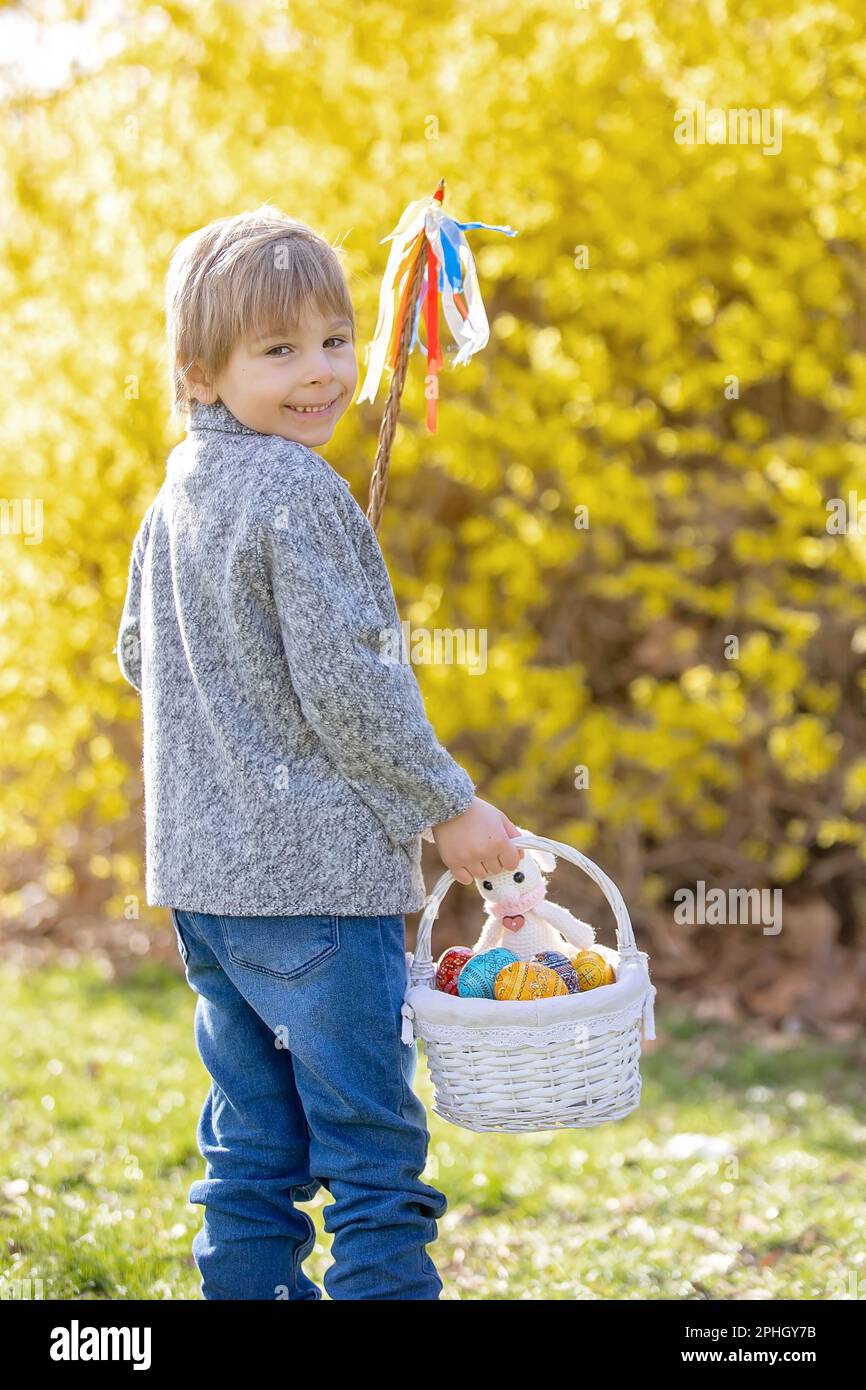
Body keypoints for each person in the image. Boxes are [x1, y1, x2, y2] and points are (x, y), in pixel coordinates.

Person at [114, 203, 521, 1300]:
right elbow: (353, 691)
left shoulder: (179, 489)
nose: (320, 374)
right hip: (316, 895)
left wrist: (231, 731)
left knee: (251, 1145)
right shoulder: (297, 490)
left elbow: (139, 654)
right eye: (279, 350)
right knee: (370, 1153)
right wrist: (447, 806)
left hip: (207, 890)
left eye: (335, 341)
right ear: (200, 373)